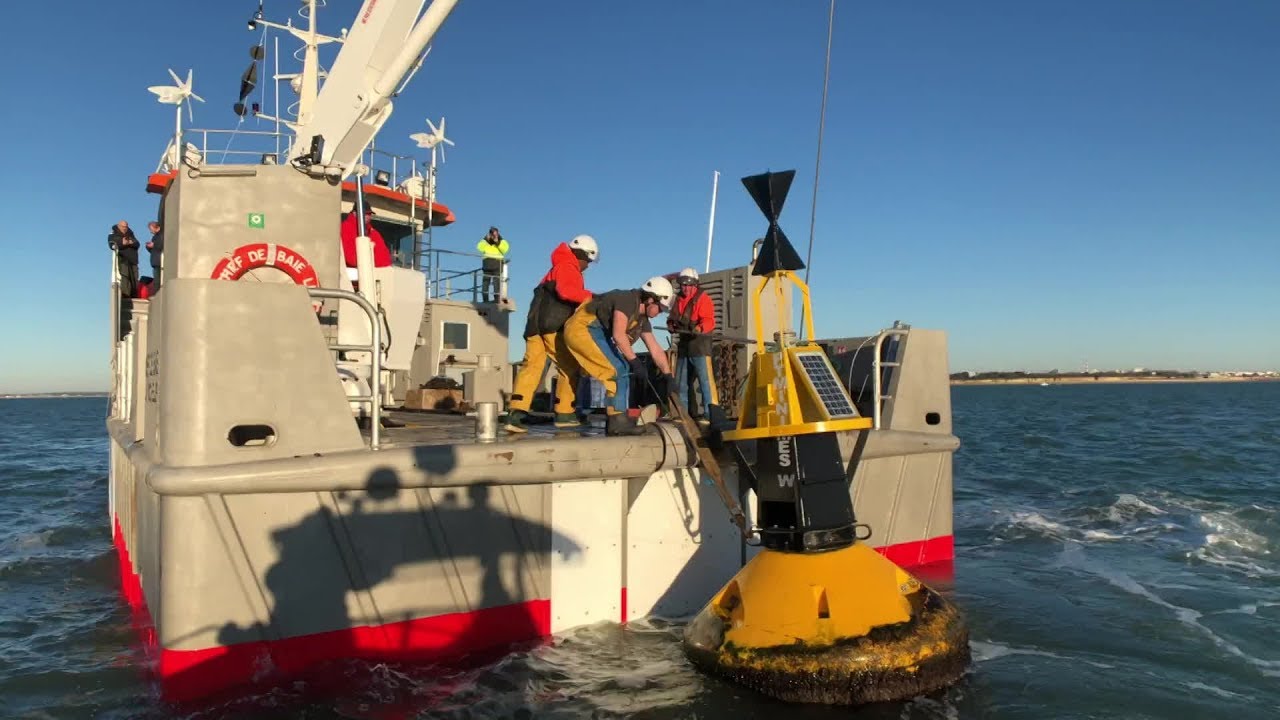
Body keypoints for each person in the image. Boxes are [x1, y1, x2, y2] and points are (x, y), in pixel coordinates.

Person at [504, 234, 599, 433]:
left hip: (534, 328)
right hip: (553, 326)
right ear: (582, 255)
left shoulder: (554, 268)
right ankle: (565, 413)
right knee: (570, 366)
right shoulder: (568, 267)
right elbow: (566, 292)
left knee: (531, 367)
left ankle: (516, 414)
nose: (588, 266)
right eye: (588, 261)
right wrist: (592, 298)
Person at [562, 276, 676, 436]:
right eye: (660, 308)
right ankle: (617, 422)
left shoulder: (643, 321)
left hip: (596, 332)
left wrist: (668, 375)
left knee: (621, 369)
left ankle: (618, 417)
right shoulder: (627, 300)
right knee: (617, 371)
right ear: (651, 299)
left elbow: (655, 349)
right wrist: (635, 362)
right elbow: (618, 335)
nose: (660, 313)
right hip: (582, 328)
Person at [668, 267, 719, 424]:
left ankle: (711, 415)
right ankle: (683, 415)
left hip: (700, 344)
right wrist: (670, 324)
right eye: (683, 284)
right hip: (684, 344)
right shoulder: (677, 300)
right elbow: (671, 318)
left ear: (695, 285)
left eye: (689, 285)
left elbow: (709, 320)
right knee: (681, 382)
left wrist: (699, 328)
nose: (686, 288)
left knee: (705, 381)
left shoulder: (703, 298)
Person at [340, 205, 393, 273]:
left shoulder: (374, 233)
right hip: (351, 277)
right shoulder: (345, 228)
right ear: (354, 213)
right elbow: (351, 258)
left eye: (369, 214)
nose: (367, 216)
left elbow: (386, 260)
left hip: (374, 275)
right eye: (365, 213)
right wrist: (372, 262)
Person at [476, 226, 509, 302]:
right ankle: (485, 299)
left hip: (497, 263)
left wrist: (497, 242)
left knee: (496, 282)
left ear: (498, 233)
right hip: (487, 263)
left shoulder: (502, 241)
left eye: (495, 233)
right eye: (492, 233)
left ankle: (496, 299)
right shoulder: (485, 241)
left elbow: (505, 250)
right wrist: (486, 239)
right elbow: (479, 248)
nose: (494, 235)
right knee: (485, 282)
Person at [107, 221, 140, 298]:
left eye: (126, 226)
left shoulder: (131, 233)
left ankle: (134, 295)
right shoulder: (113, 234)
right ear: (119, 226)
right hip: (122, 259)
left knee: (135, 278)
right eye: (123, 226)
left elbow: (137, 244)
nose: (125, 228)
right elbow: (112, 244)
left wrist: (129, 243)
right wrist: (122, 243)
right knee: (124, 276)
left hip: (133, 260)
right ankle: (125, 295)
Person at [145, 220, 164, 291]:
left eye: (151, 229)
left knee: (158, 280)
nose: (150, 231)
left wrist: (154, 245)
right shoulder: (155, 237)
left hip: (160, 262)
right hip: (156, 261)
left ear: (156, 227)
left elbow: (162, 246)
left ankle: (157, 294)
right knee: (157, 280)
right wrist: (148, 247)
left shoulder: (162, 235)